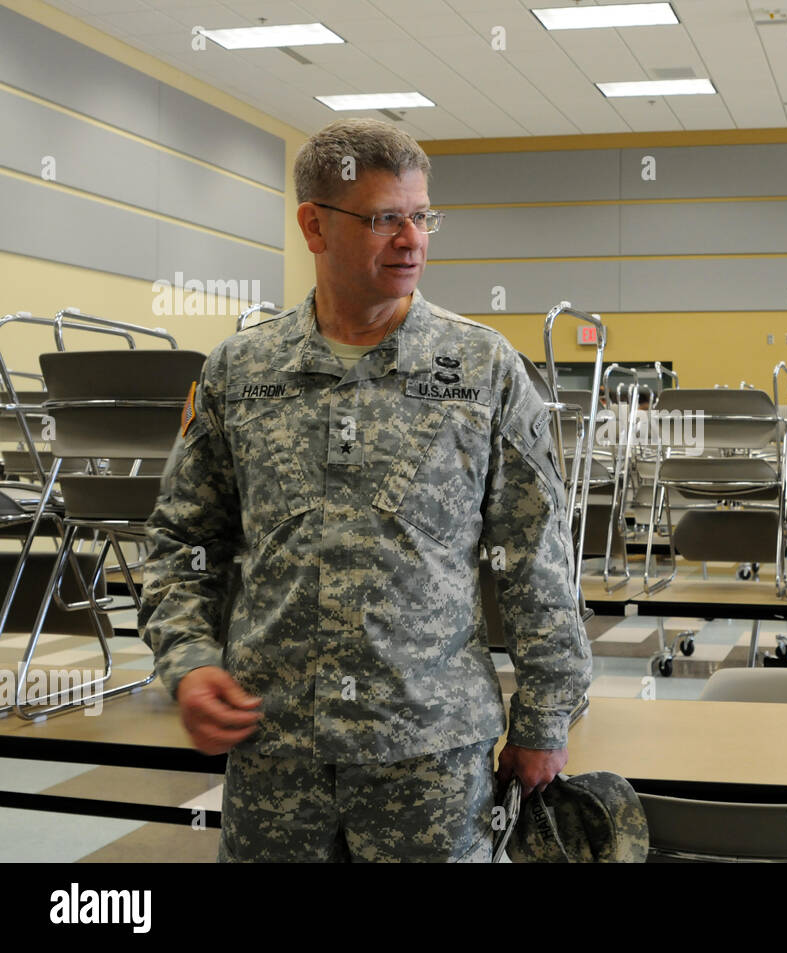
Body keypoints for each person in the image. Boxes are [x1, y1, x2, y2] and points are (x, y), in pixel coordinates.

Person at [141, 118, 591, 862]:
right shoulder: (241, 372)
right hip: (276, 752)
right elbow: (184, 541)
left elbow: (536, 553)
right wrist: (188, 661)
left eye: (422, 216)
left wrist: (545, 716)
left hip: (430, 758)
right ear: (314, 227)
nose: (412, 238)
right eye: (385, 218)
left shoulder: (483, 369)